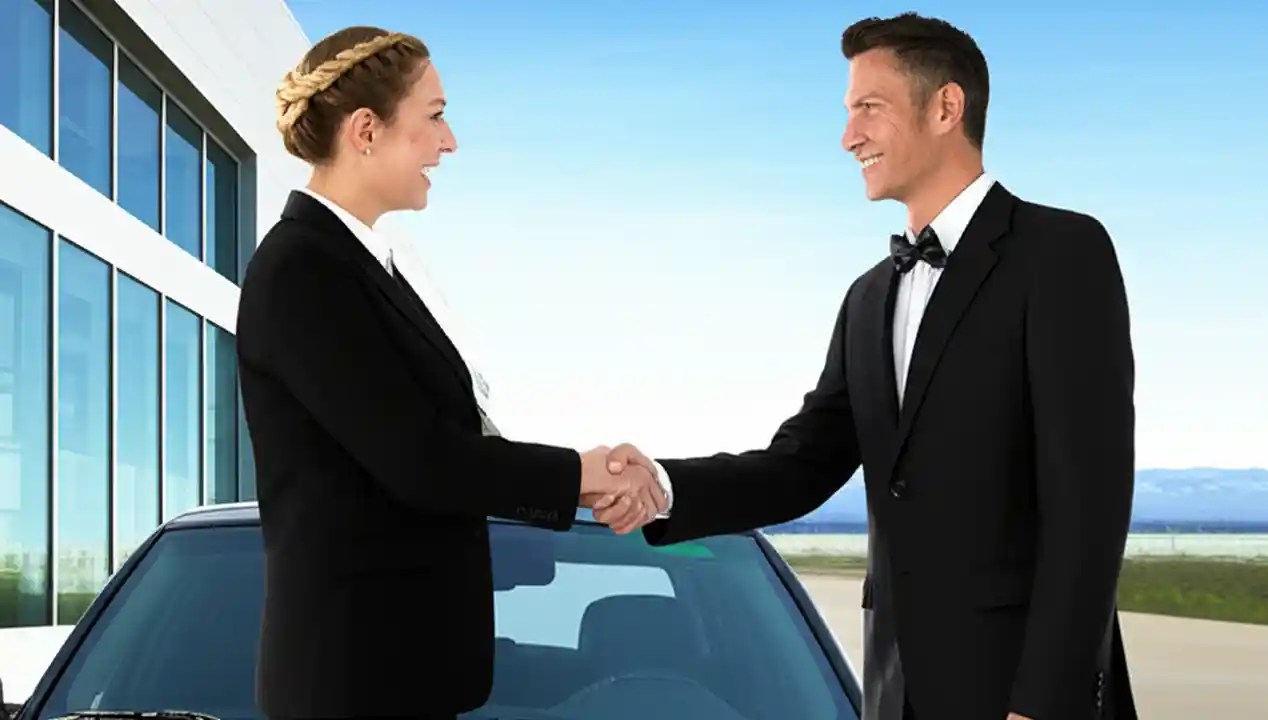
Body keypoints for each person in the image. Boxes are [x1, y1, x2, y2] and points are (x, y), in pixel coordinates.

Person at [597, 12, 1138, 720]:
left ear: (947, 107)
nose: (848, 136)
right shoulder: (868, 298)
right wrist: (662, 485)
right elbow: (801, 464)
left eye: (868, 109)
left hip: (1020, 693)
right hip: (898, 691)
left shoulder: (1061, 253)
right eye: (849, 112)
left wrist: (1043, 703)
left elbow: (1089, 507)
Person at [235, 26, 667, 720]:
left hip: (396, 681)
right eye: (434, 117)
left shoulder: (364, 268)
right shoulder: (301, 271)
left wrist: (579, 485)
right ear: (367, 131)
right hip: (353, 687)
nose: (450, 141)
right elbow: (419, 459)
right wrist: (579, 474)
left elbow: (440, 445)